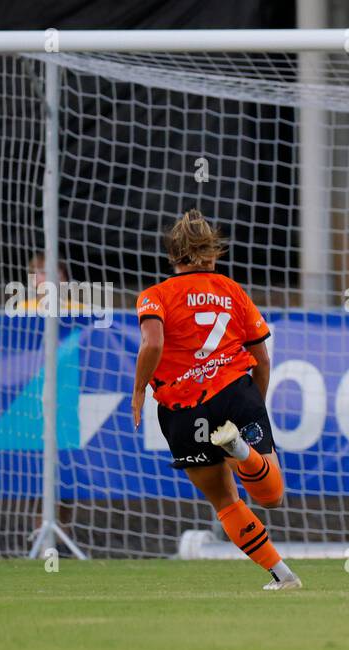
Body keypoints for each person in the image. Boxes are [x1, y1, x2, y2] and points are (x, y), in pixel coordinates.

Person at [130, 209, 300, 591]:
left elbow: (153, 342)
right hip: (234, 391)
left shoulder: (154, 296)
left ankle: (283, 576)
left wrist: (140, 388)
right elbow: (261, 357)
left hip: (181, 410)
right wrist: (253, 403)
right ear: (213, 252)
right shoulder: (231, 291)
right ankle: (241, 450)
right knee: (270, 496)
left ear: (172, 254)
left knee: (224, 501)